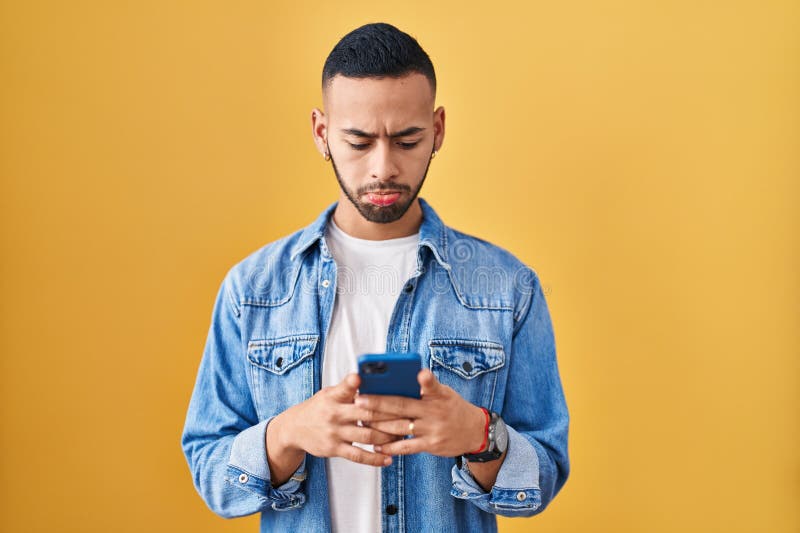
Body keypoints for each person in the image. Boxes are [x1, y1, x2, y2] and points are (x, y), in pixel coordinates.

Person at [181, 22, 569, 533]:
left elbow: (542, 478)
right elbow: (212, 474)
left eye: (407, 140)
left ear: (438, 130)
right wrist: (288, 432)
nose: (382, 167)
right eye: (359, 141)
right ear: (322, 133)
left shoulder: (507, 288)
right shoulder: (253, 290)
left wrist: (479, 435)